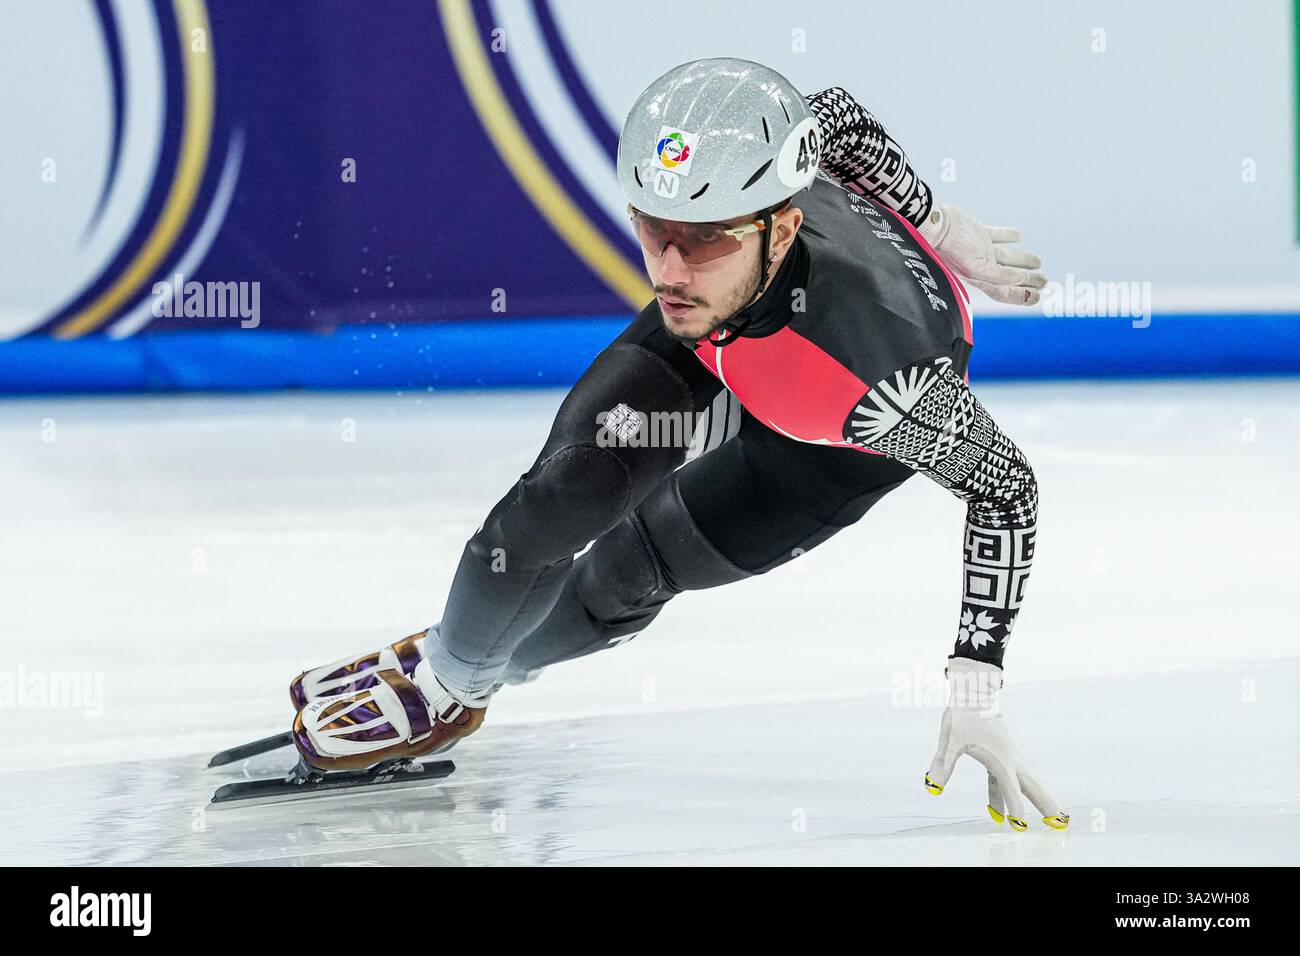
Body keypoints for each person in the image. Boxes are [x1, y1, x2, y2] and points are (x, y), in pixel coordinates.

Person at [287, 59, 1065, 831]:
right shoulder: (709, 269)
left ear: (782, 225)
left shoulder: (886, 387)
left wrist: (975, 684)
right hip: (731, 333)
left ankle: (489, 672)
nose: (668, 270)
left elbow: (1007, 489)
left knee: (628, 573)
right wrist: (933, 219)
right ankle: (449, 678)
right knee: (565, 492)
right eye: (653, 231)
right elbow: (838, 112)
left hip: (824, 432)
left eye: (701, 241)